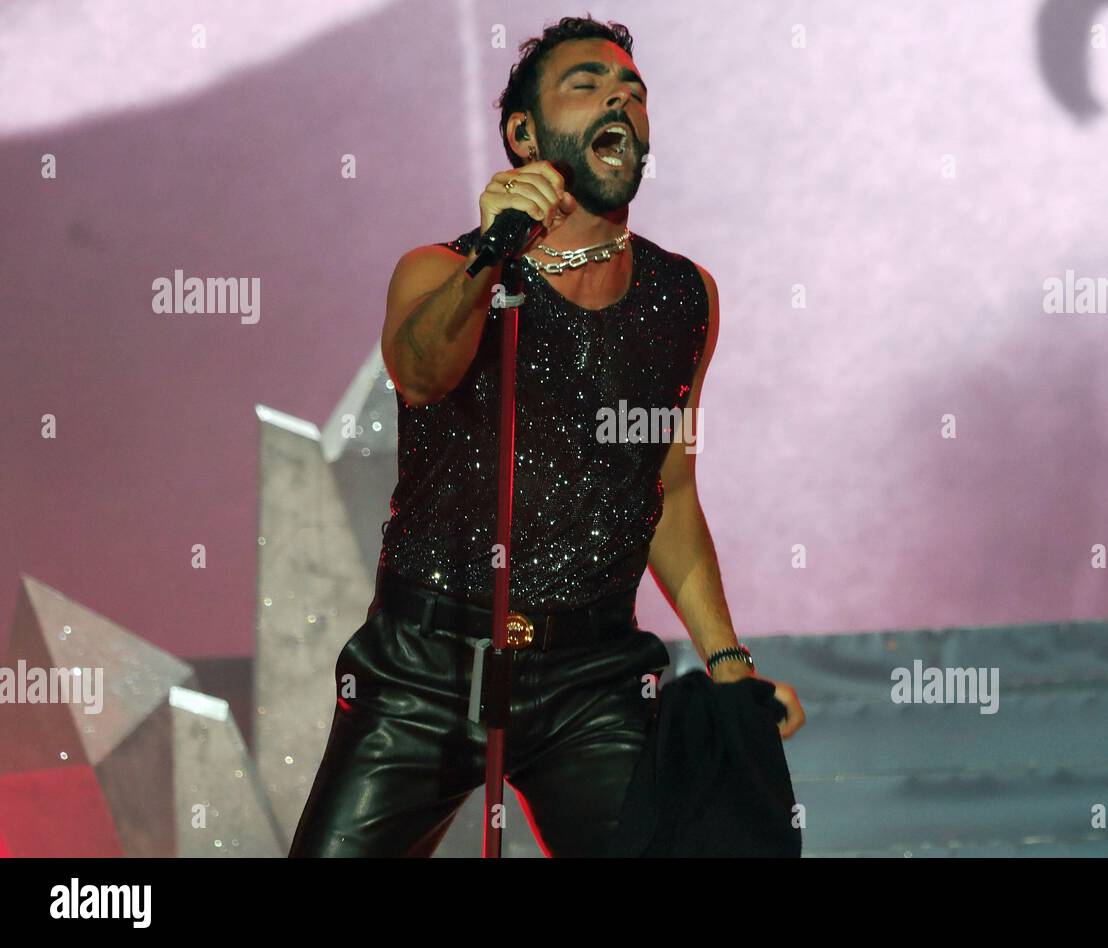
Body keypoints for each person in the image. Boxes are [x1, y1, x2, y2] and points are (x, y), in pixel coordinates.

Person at [289, 14, 804, 858]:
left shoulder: (684, 296)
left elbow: (667, 493)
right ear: (524, 134)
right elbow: (421, 374)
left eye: (633, 91)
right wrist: (493, 257)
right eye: (589, 85)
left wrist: (728, 663)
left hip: (592, 680)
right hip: (424, 666)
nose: (621, 100)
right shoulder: (439, 269)